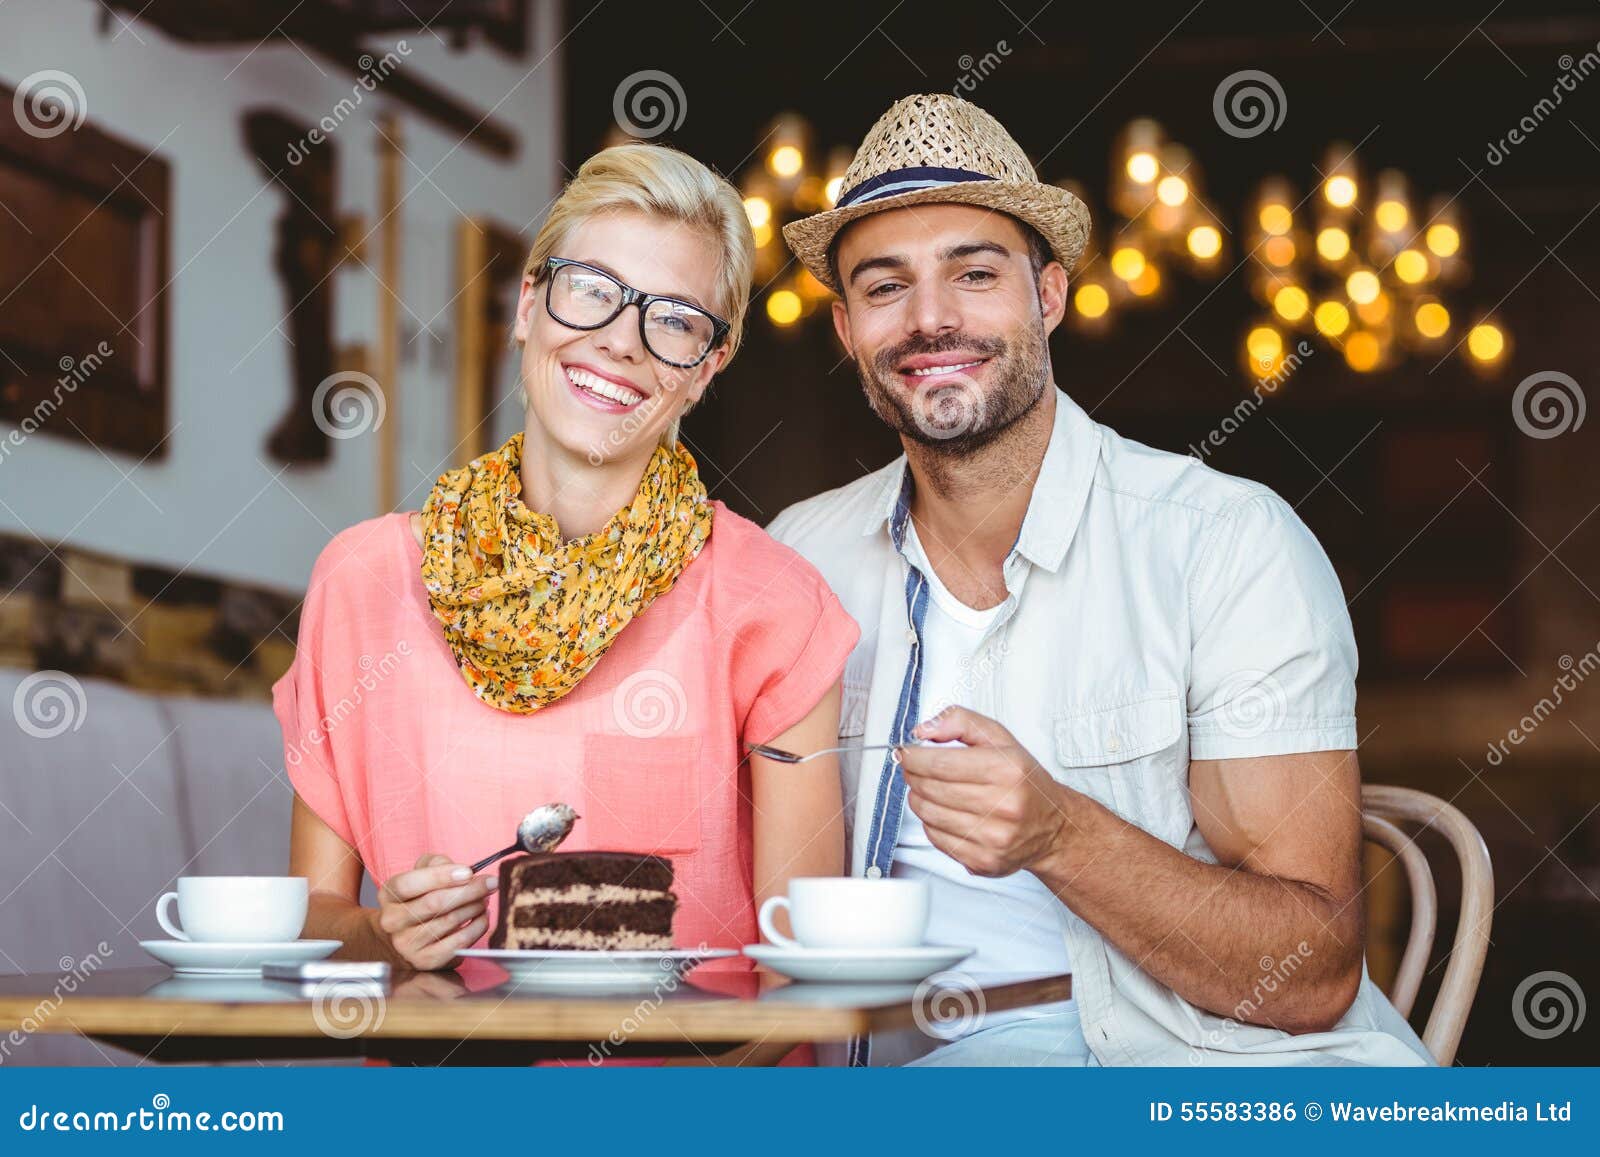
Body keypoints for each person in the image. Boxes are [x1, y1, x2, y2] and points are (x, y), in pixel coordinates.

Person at [768, 93, 1433, 1067]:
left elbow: (1311, 972)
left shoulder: (1225, 544)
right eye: (884, 286)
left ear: (1048, 295)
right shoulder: (798, 559)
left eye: (974, 273)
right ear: (844, 327)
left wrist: (1059, 834)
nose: (930, 317)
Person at [274, 144, 858, 998]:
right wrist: (383, 933)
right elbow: (309, 924)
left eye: (674, 320)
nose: (619, 341)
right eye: (591, 288)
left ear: (706, 368)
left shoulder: (773, 604)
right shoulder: (361, 583)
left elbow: (804, 982)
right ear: (527, 305)